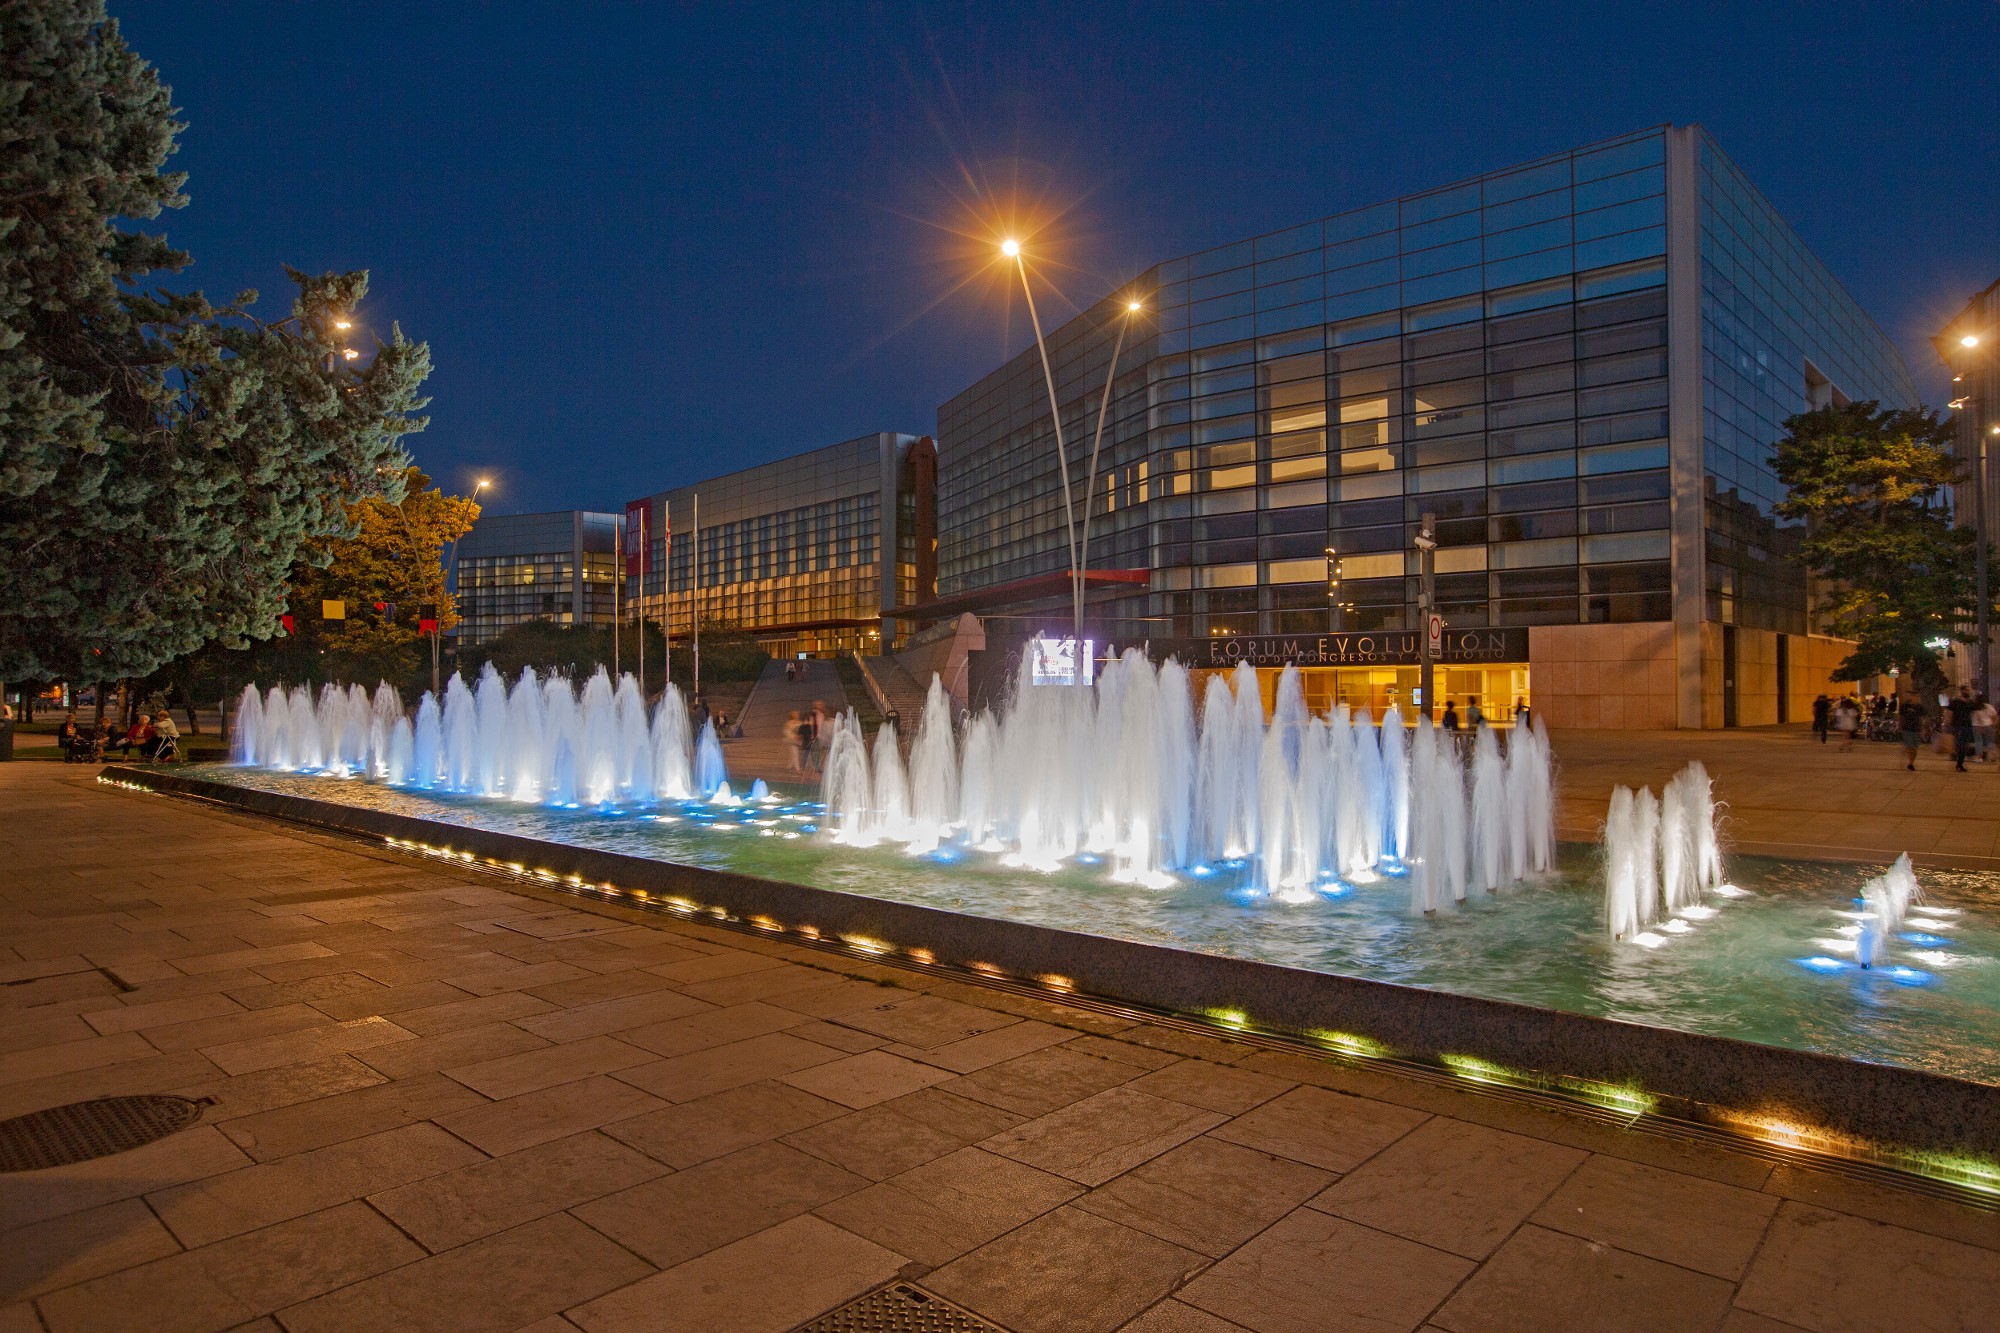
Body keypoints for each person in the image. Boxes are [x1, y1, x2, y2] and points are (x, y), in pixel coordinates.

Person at [1949, 686, 1978, 772]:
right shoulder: (1955, 701)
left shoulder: (1970, 702)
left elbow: (1976, 709)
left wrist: (1973, 694)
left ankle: (1959, 763)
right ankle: (1959, 764)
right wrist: (1947, 724)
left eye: (1968, 690)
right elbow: (1949, 713)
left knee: (1965, 746)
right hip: (1958, 726)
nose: (1967, 691)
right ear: (1961, 691)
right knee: (1960, 745)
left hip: (1968, 726)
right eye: (1966, 690)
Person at [1898, 693, 1926, 772]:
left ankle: (1911, 762)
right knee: (1910, 746)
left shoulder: (1920, 707)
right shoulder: (1905, 706)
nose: (1917, 698)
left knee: (1914, 748)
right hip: (1907, 729)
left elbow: (1922, 718)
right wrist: (1900, 726)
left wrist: (1923, 728)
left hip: (1916, 729)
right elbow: (1901, 717)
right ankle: (1910, 764)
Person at [1975, 694, 1997, 764]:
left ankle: (1979, 757)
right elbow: (1995, 715)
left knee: (1979, 742)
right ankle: (1992, 756)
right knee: (1990, 742)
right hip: (1989, 725)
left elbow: (1977, 718)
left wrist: (1980, 726)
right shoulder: (1989, 706)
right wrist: (1993, 723)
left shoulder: (1976, 707)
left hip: (1978, 726)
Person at [784, 710, 806, 774]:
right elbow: (787, 732)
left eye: (797, 714)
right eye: (796, 714)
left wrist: (800, 737)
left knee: (793, 754)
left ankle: (789, 767)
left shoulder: (800, 722)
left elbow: (802, 731)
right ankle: (798, 769)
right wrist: (793, 738)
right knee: (795, 754)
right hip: (791, 741)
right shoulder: (788, 723)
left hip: (798, 740)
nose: (797, 715)